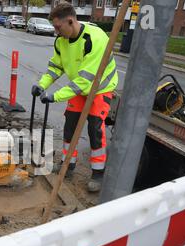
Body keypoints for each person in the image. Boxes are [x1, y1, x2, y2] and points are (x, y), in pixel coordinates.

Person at [31, 2, 118, 192]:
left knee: (95, 128)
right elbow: (56, 67)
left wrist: (54, 96)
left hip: (99, 88)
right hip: (79, 88)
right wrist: (41, 85)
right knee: (70, 125)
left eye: (57, 27)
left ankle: (97, 172)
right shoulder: (61, 41)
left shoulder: (95, 39)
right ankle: (67, 165)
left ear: (70, 21)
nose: (55, 32)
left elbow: (85, 81)